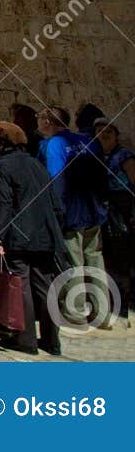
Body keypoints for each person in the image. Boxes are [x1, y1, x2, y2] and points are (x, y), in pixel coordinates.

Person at [0, 121, 68, 355]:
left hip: (18, 236)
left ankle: (26, 341)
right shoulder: (37, 165)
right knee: (45, 287)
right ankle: (52, 341)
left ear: (0, 143)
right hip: (45, 235)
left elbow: (2, 204)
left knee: (21, 287)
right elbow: (55, 203)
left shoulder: (1, 167)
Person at [38, 104, 109, 326]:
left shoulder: (54, 144)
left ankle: (75, 311)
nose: (38, 121)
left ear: (48, 121)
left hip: (71, 211)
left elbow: (55, 178)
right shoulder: (87, 140)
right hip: (94, 210)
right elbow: (102, 174)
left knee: (73, 261)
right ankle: (103, 313)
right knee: (95, 258)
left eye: (40, 117)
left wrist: (56, 211)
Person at [94, 119, 134, 324]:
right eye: (99, 131)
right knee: (107, 259)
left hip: (122, 209)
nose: (104, 134)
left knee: (122, 259)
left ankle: (123, 306)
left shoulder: (124, 156)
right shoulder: (97, 155)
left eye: (108, 131)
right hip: (103, 209)